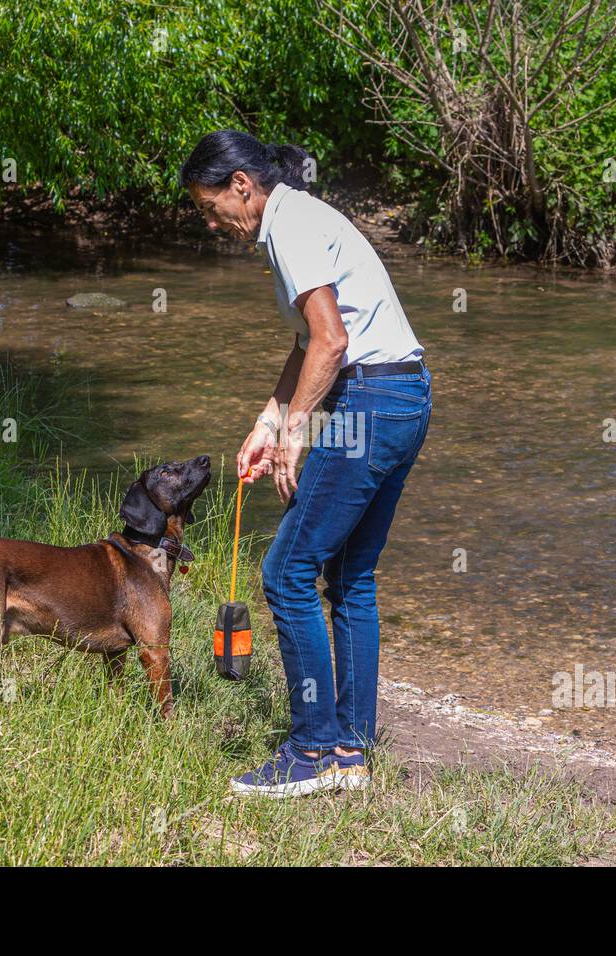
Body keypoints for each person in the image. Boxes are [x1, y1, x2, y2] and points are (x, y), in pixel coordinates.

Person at [179, 130, 432, 797]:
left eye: (211, 207)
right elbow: (306, 346)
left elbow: (333, 341)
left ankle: (311, 752)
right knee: (350, 576)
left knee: (287, 571)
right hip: (404, 395)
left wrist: (298, 431)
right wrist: (269, 422)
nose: (213, 223)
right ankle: (350, 751)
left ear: (241, 185)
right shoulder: (300, 216)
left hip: (368, 402)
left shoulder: (288, 228)